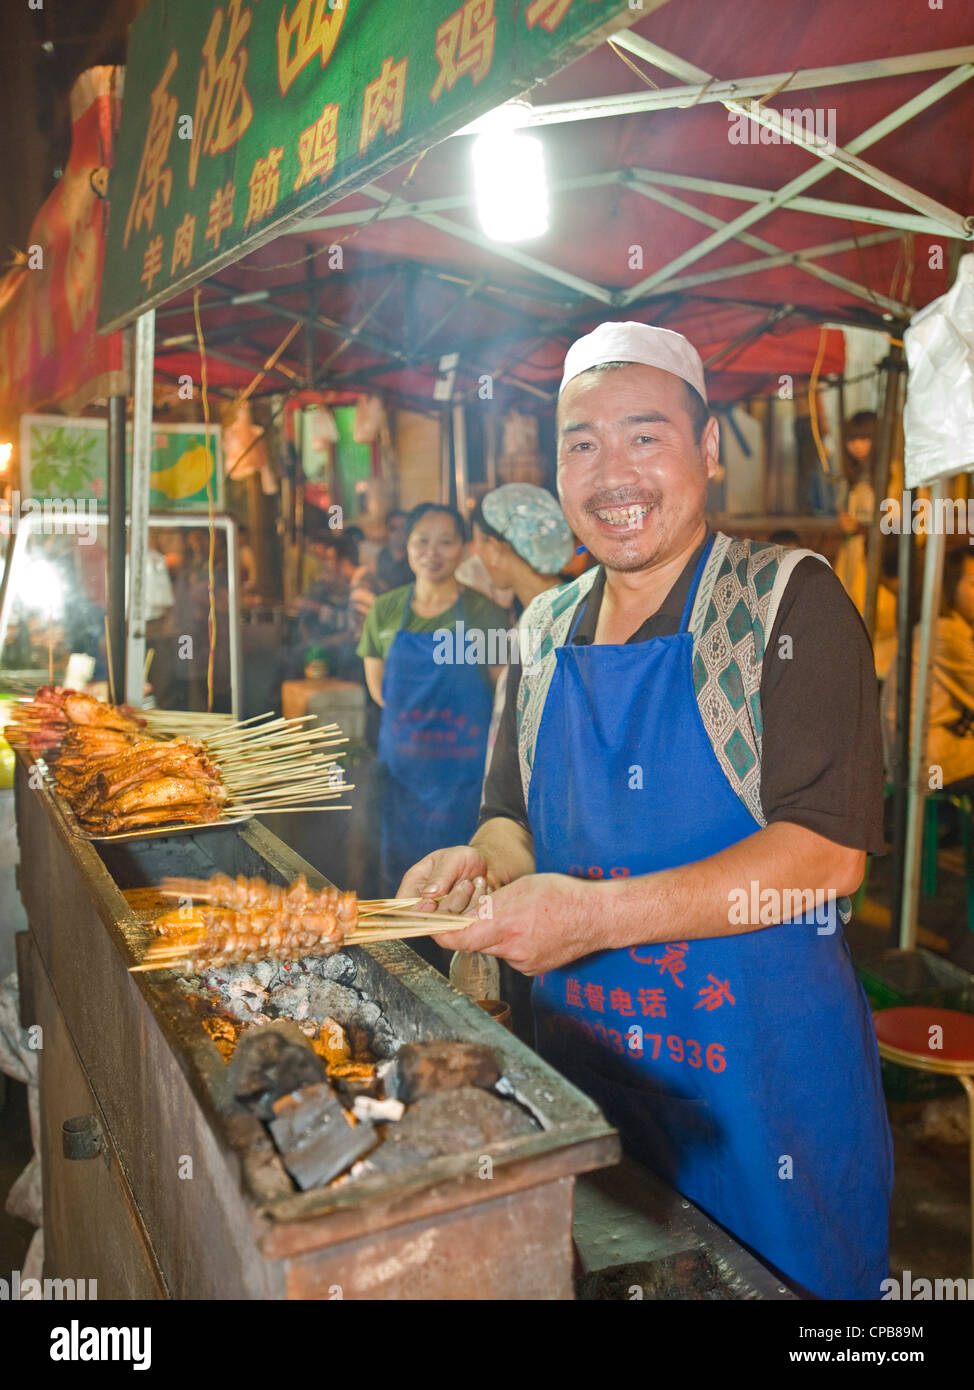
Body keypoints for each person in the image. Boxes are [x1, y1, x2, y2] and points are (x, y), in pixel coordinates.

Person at [399, 320, 892, 1300]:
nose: (610, 473)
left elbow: (827, 855)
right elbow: (509, 813)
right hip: (591, 1100)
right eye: (581, 444)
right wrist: (480, 861)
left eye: (643, 436)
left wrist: (590, 915)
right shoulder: (539, 629)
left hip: (762, 1115)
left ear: (706, 449)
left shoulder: (784, 604)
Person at [357, 503, 509, 915]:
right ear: (406, 545)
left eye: (446, 541)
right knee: (402, 886)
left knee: (464, 882)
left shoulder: (485, 613)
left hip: (464, 777)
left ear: (463, 549)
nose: (433, 551)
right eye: (422, 541)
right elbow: (378, 689)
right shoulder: (385, 610)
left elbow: (505, 695)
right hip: (403, 775)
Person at [883, 545, 974, 793]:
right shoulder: (944, 634)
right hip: (926, 764)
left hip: (927, 754)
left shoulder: (948, 630)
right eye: (972, 585)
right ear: (949, 587)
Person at [375, 509, 413, 592]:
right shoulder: (383, 555)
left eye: (402, 528)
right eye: (393, 528)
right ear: (386, 531)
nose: (398, 533)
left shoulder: (415, 559)